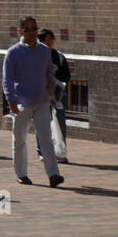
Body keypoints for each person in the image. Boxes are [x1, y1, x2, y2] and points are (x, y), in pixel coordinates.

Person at [3, 16, 63, 187]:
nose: (31, 32)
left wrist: (52, 95)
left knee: (46, 137)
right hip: (21, 103)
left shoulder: (44, 51)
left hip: (42, 101)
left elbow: (49, 75)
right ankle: (21, 173)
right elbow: (6, 79)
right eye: (27, 29)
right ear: (20, 31)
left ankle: (53, 174)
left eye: (34, 29)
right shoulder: (13, 53)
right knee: (20, 139)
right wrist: (11, 100)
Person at [38, 29, 71, 164]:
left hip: (58, 95)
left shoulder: (58, 56)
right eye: (47, 39)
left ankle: (60, 151)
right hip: (41, 95)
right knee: (42, 123)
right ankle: (42, 151)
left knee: (60, 122)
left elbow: (66, 75)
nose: (50, 42)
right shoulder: (36, 56)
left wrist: (58, 84)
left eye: (52, 39)